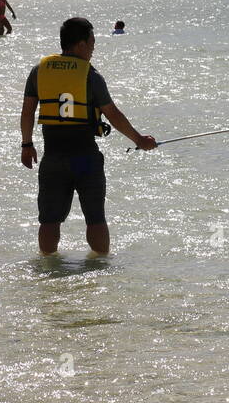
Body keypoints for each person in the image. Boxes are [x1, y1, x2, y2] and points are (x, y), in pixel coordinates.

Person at [20, 17, 158, 257]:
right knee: (95, 218)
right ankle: (100, 267)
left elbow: (27, 111)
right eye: (92, 42)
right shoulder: (91, 76)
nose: (94, 48)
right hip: (85, 158)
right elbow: (112, 114)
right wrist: (139, 140)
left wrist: (26, 144)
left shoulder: (39, 71)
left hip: (53, 158)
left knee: (49, 221)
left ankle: (48, 266)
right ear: (81, 44)